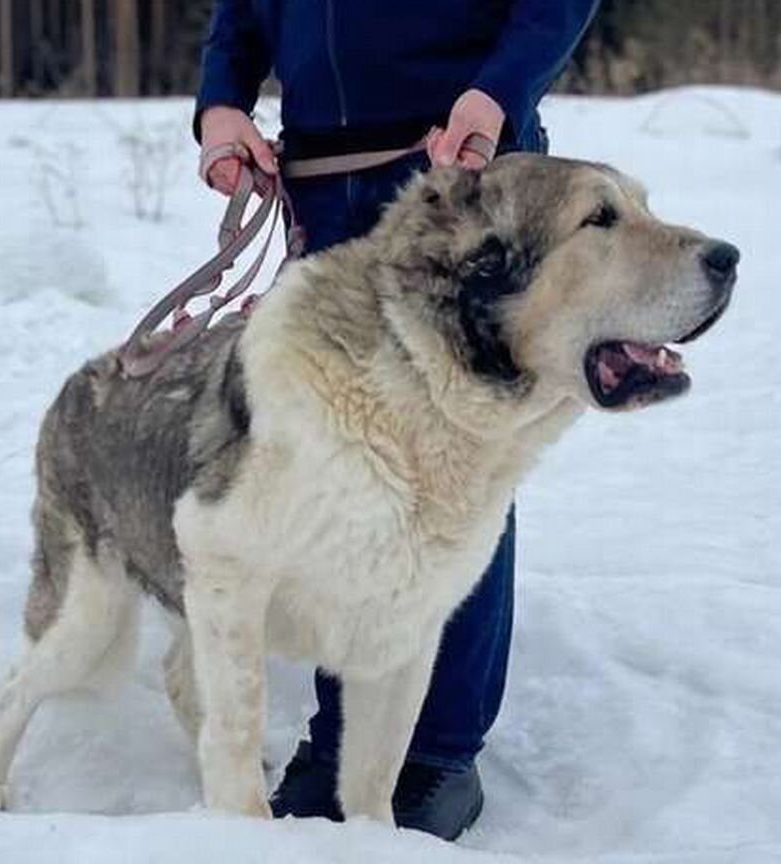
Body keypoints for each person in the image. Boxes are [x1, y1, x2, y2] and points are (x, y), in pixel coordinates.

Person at [193, 0, 599, 841]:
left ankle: (436, 754)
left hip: (465, 178)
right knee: (341, 465)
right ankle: (345, 736)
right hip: (321, 184)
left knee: (458, 462)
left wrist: (499, 92)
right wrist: (221, 98)